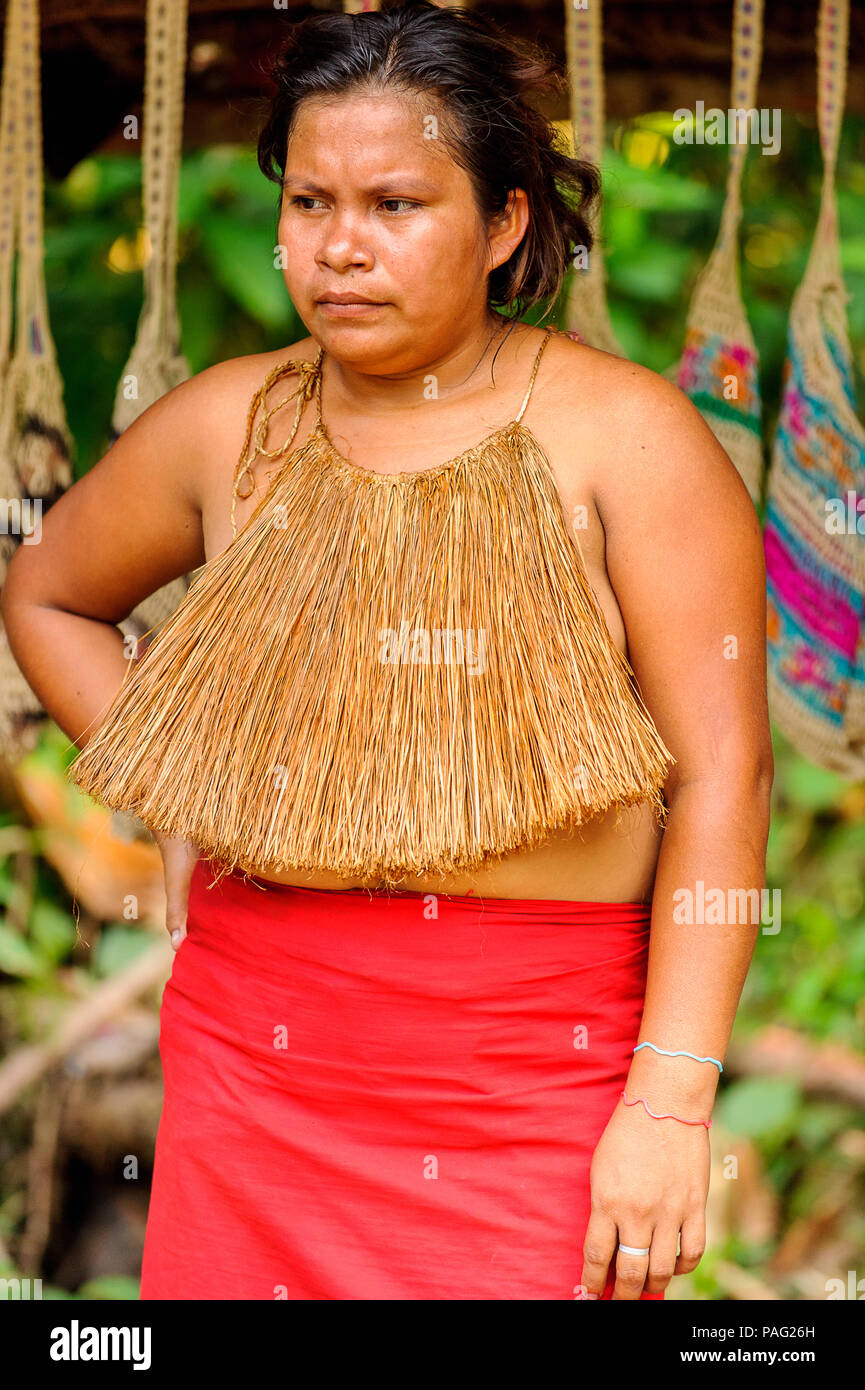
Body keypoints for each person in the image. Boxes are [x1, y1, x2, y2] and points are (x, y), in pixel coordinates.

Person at [1, 0, 773, 1300]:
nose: (340, 247)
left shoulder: (629, 440)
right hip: (257, 1059)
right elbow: (47, 596)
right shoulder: (222, 426)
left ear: (504, 222)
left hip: (536, 1078)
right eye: (310, 202)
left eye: (396, 205)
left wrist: (673, 1102)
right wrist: (182, 779)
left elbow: (723, 780)